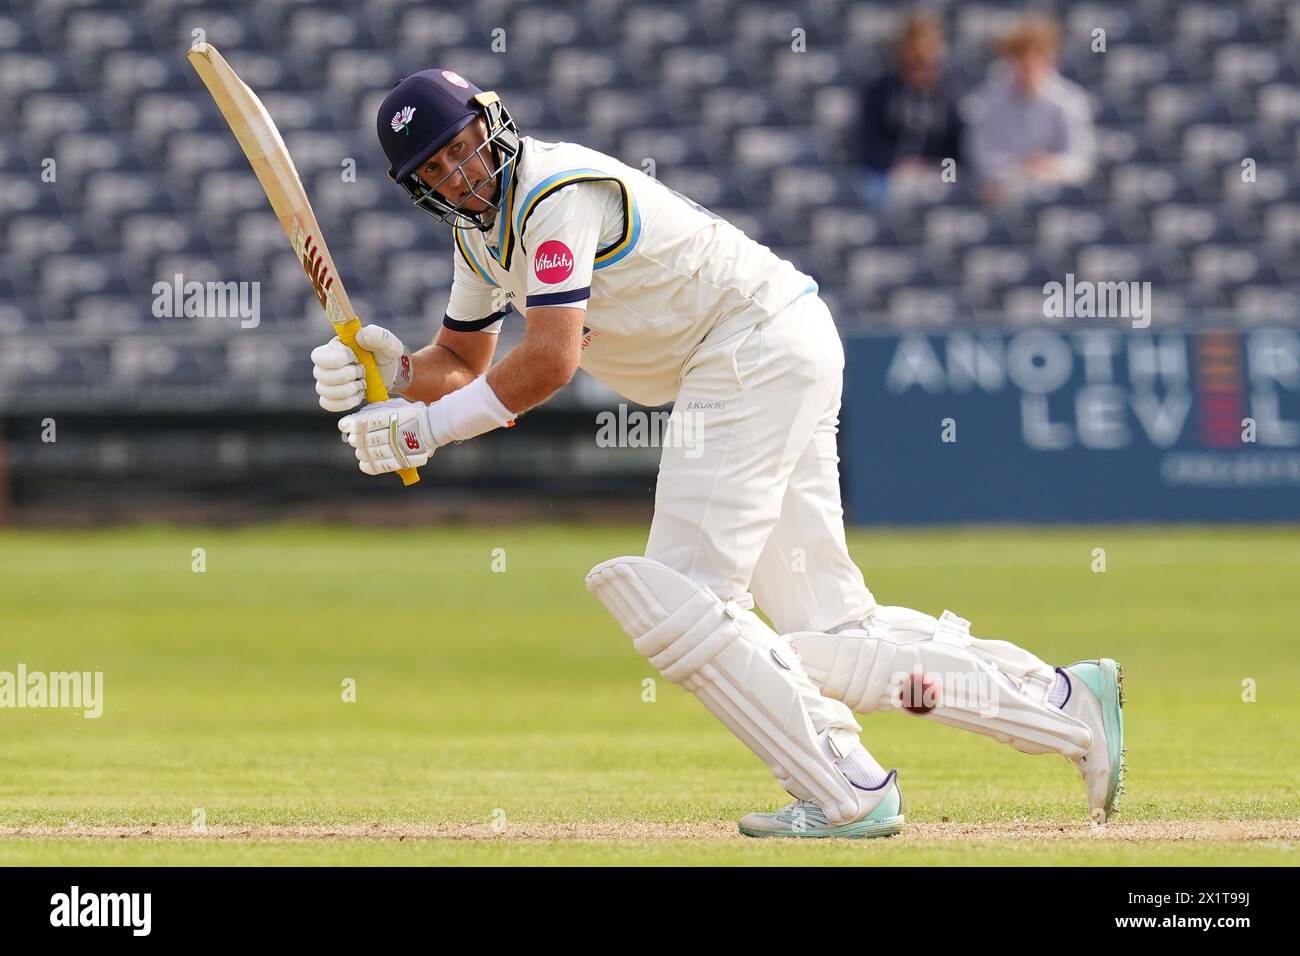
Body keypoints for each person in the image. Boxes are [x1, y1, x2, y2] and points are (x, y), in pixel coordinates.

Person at [309, 69, 1125, 837]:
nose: (460, 172)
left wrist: (426, 430)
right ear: (420, 188)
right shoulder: (478, 241)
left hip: (747, 348)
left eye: (462, 147)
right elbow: (462, 362)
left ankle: (846, 791)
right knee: (831, 629)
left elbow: (552, 359)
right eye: (438, 167)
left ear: (491, 126)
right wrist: (395, 372)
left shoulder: (554, 193)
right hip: (778, 340)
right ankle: (1061, 702)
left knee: (683, 597)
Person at [965, 15, 1095, 205]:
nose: (1028, 64)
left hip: (1056, 197)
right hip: (1004, 196)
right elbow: (980, 156)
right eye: (1020, 55)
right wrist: (1018, 167)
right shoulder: (987, 100)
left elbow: (1081, 161)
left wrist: (1050, 165)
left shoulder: (1070, 101)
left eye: (1036, 54)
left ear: (1049, 58)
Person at [857, 12, 964, 207]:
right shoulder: (880, 92)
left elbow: (957, 148)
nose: (920, 61)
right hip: (886, 175)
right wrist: (897, 163)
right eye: (914, 55)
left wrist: (933, 167)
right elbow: (869, 143)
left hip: (934, 175)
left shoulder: (949, 96)